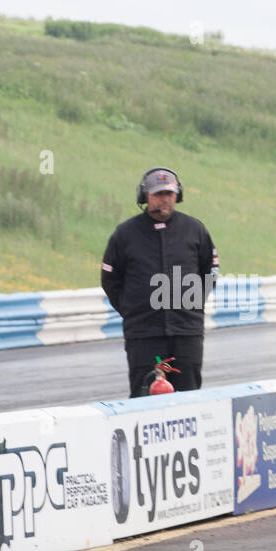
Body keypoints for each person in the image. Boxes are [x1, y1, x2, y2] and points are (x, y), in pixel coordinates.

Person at [100, 167, 218, 397]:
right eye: (158, 194)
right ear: (144, 196)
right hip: (145, 336)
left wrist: (193, 302)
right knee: (145, 397)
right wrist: (132, 310)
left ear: (178, 195)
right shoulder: (125, 234)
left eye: (169, 194)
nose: (164, 199)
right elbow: (110, 279)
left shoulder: (195, 230)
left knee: (190, 398)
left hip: (187, 333)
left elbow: (210, 270)